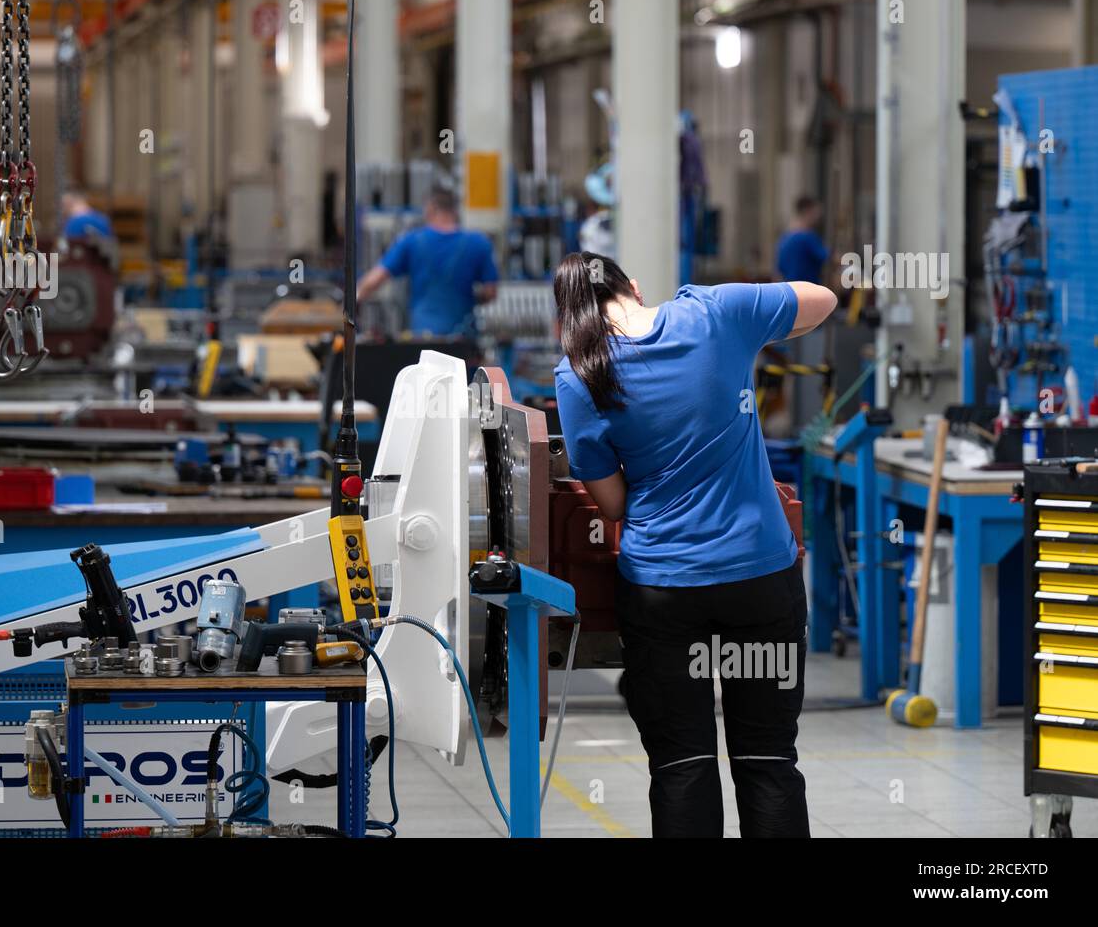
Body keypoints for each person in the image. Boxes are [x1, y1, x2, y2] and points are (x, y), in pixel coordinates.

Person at [552, 251, 836, 838]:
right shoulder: (716, 312)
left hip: (662, 591)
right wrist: (761, 331)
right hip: (760, 581)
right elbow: (823, 300)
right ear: (634, 285)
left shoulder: (578, 374)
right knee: (768, 763)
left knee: (681, 767)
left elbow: (614, 504)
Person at [356, 189, 498, 337]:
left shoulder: (412, 241)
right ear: (455, 211)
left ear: (430, 209)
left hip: (424, 336)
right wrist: (473, 296)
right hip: (462, 337)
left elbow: (375, 279)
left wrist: (352, 301)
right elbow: (490, 292)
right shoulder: (478, 243)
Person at [775, 195, 830, 283]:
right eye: (815, 213)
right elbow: (827, 257)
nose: (818, 218)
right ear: (807, 211)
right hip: (808, 290)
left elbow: (779, 269)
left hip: (790, 289)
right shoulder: (807, 237)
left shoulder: (785, 237)